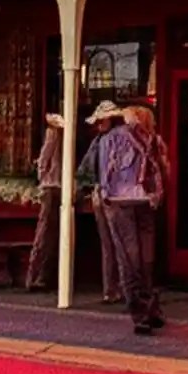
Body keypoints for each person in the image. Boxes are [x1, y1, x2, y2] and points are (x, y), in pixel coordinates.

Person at [86, 104, 166, 335]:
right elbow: (157, 167)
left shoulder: (108, 140)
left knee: (129, 259)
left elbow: (103, 173)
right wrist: (156, 195)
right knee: (145, 259)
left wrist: (104, 194)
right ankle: (150, 306)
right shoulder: (145, 136)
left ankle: (140, 311)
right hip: (143, 200)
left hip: (120, 201)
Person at [76, 100, 124, 305]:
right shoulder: (100, 142)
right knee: (110, 244)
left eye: (102, 121)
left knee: (116, 243)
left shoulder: (112, 140)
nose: (99, 125)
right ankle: (112, 289)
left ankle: (117, 287)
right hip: (103, 193)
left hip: (112, 194)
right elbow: (85, 169)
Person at [121, 105, 169, 306]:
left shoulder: (128, 141)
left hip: (131, 198)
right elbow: (165, 168)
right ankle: (146, 289)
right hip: (150, 197)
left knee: (131, 248)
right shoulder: (156, 140)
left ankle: (135, 292)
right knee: (146, 245)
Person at [25, 113, 66, 291]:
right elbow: (43, 161)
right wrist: (44, 179)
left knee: (49, 234)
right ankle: (35, 276)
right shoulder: (54, 135)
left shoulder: (60, 137)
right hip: (52, 187)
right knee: (46, 233)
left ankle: (40, 276)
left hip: (54, 186)